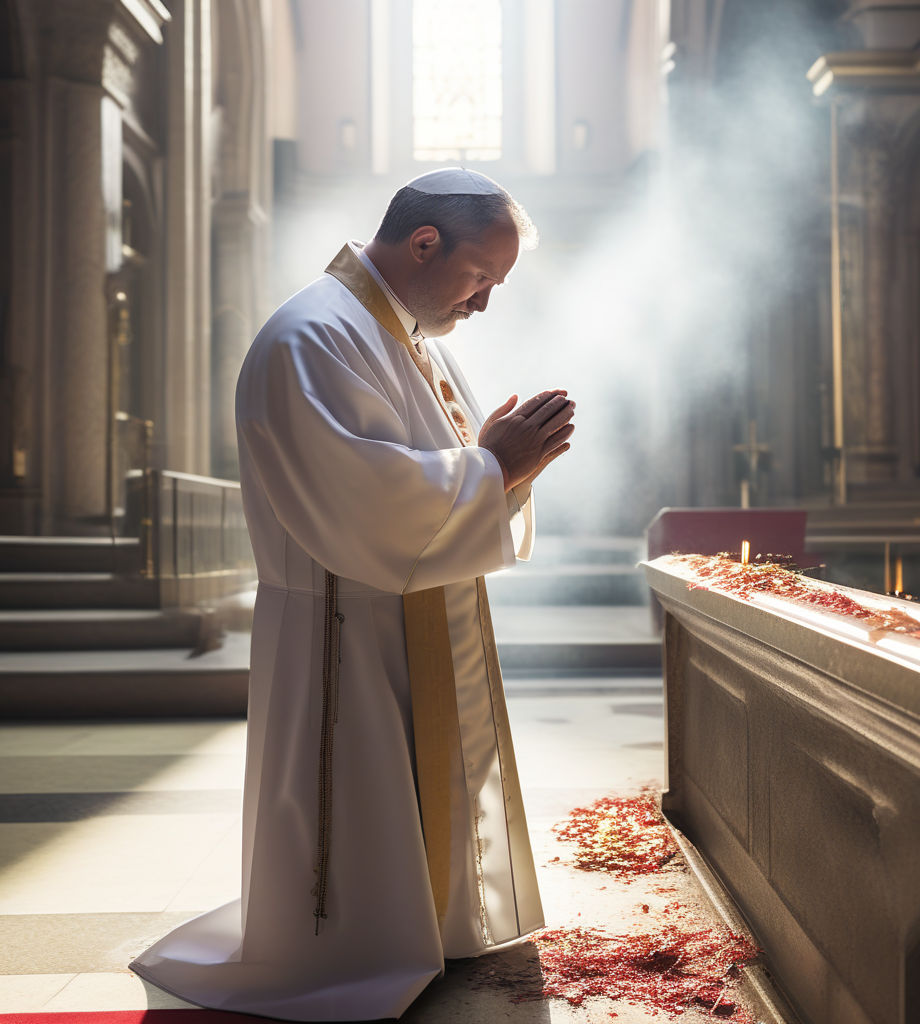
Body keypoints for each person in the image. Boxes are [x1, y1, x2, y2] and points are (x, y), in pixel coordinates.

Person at [130, 168, 575, 1021]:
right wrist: (495, 469)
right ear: (422, 244)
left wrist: (497, 469)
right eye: (481, 278)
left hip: (406, 623)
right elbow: (362, 499)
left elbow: (438, 476)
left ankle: (432, 926)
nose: (484, 305)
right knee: (355, 819)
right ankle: (350, 951)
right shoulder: (312, 335)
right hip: (344, 632)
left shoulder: (412, 340)